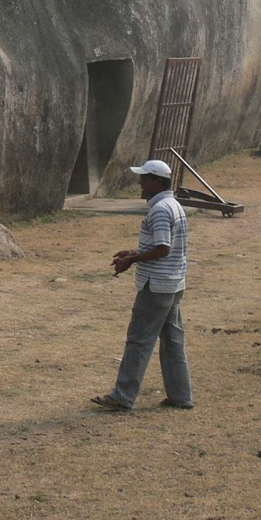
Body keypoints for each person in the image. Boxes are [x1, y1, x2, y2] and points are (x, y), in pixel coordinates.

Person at [91, 158, 194, 411]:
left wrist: (133, 259)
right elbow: (163, 245)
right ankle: (181, 396)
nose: (140, 183)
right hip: (173, 285)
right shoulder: (174, 205)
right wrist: (134, 252)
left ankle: (122, 396)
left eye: (144, 178)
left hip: (155, 286)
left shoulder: (159, 209)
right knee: (173, 343)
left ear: (157, 181)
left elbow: (163, 248)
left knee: (138, 341)